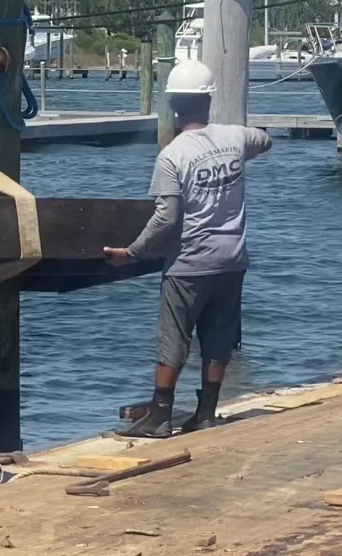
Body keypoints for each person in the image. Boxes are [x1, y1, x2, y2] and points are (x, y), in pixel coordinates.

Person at [103, 60, 272, 439]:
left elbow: (166, 217)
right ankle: (207, 413)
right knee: (218, 338)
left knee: (175, 337)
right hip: (232, 259)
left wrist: (131, 252)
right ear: (208, 102)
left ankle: (160, 415)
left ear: (174, 106)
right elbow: (265, 140)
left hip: (189, 263)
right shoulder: (236, 138)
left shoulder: (172, 156)